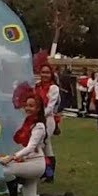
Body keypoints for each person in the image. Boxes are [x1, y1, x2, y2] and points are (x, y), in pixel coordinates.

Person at [0, 82, 80, 196]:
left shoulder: (39, 126)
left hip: (36, 165)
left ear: (38, 108)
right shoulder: (27, 123)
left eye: (31, 106)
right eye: (26, 105)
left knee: (6, 170)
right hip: (28, 162)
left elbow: (30, 147)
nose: (27, 108)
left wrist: (11, 157)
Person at [32, 51, 61, 181]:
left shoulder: (53, 88)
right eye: (43, 72)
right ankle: (49, 175)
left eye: (47, 73)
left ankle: (39, 172)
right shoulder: (36, 86)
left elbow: (50, 107)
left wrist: (38, 115)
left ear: (51, 74)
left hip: (47, 120)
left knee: (39, 145)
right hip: (36, 119)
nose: (44, 75)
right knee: (47, 146)